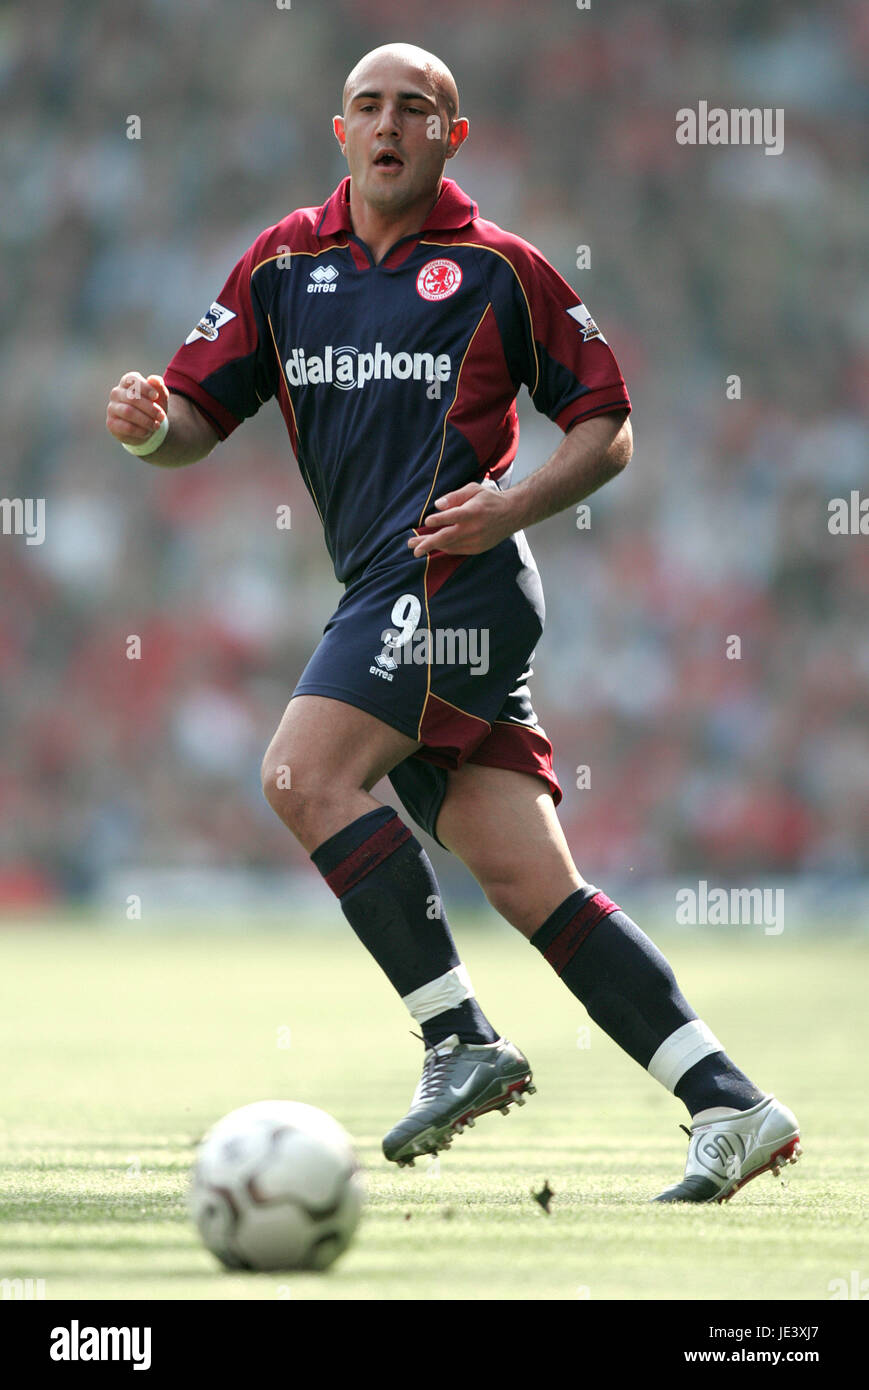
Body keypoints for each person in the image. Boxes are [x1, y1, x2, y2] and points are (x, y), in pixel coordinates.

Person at [106, 43, 800, 1202]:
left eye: (413, 108)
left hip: (452, 579)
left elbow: (606, 424)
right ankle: (729, 1100)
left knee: (298, 774)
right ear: (341, 132)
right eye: (367, 106)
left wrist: (511, 503)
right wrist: (144, 426)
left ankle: (456, 1038)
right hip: (385, 589)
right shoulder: (282, 266)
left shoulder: (499, 270)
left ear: (450, 135)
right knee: (531, 883)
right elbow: (193, 418)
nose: (388, 124)